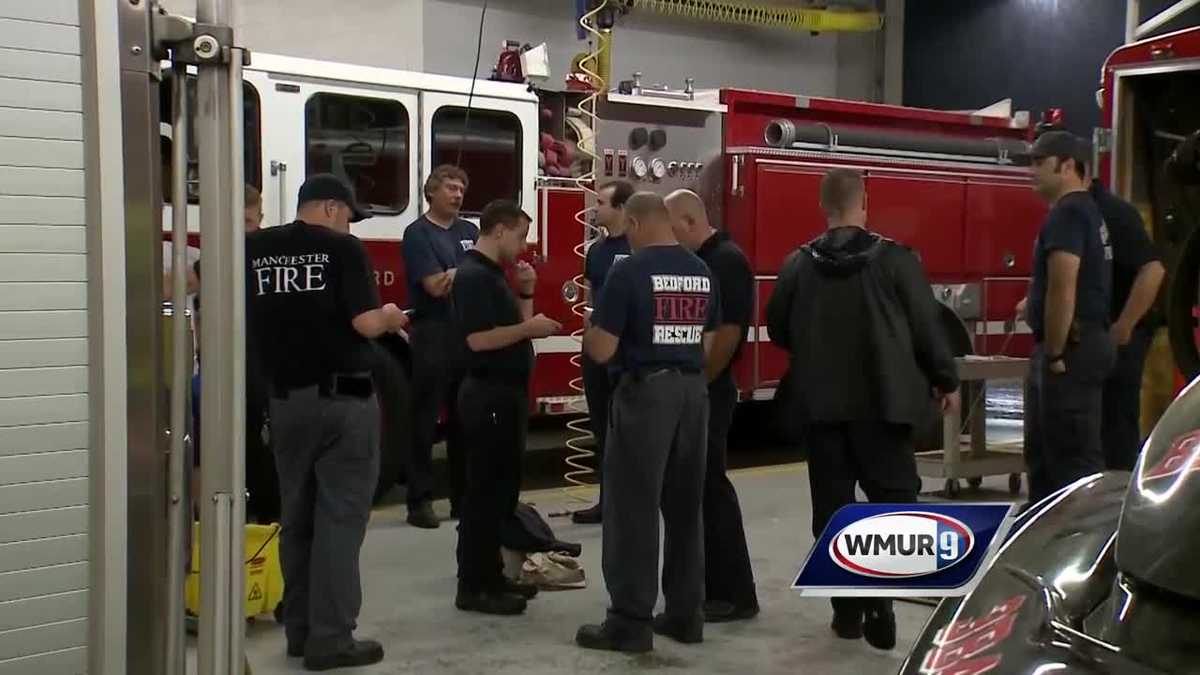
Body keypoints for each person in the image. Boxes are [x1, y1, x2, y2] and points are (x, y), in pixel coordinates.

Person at [766, 168, 959, 651]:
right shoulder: (896, 260)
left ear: (823, 205)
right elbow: (925, 325)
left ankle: (848, 613)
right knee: (894, 505)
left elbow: (777, 328)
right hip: (885, 406)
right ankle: (885, 602)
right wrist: (945, 379)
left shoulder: (797, 263)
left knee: (832, 511)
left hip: (822, 407)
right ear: (864, 203)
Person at [247, 173, 409, 670]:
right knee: (339, 520)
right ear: (334, 208)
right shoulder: (343, 251)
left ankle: (298, 630)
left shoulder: (255, 248)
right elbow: (364, 323)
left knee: (297, 517)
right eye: (348, 216)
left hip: (285, 403)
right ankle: (332, 638)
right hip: (343, 402)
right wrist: (391, 316)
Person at [576, 192, 718, 653]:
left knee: (632, 509)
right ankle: (684, 614)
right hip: (694, 392)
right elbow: (710, 342)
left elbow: (602, 350)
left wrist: (589, 330)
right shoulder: (701, 270)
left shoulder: (628, 271)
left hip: (646, 394)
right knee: (684, 508)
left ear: (634, 224)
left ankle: (630, 621)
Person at [451, 200, 562, 615]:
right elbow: (478, 340)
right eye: (519, 236)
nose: (522, 246)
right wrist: (529, 326)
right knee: (484, 493)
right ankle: (474, 585)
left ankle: (492, 575)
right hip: (489, 395)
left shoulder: (494, 275)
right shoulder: (474, 276)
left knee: (501, 492)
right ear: (498, 230)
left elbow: (513, 333)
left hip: (506, 393)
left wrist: (528, 294)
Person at [664, 189, 759, 622]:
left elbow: (728, 332)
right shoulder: (704, 260)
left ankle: (734, 593)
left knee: (710, 487)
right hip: (700, 388)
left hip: (710, 391)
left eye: (671, 228)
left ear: (688, 221)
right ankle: (711, 586)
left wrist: (701, 384)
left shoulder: (726, 260)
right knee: (697, 489)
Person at [1017, 131, 1116, 503]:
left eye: (1040, 162)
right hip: (1086, 344)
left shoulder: (1068, 213)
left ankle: (1076, 545)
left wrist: (1056, 353)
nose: (1031, 170)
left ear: (1068, 166)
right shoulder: (1087, 211)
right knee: (1052, 456)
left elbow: (1064, 284)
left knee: (1070, 462)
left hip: (1071, 351)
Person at [401, 165, 477, 529]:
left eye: (461, 187)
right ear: (432, 192)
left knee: (465, 418)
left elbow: (485, 277)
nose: (457, 193)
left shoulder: (469, 231)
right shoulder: (417, 234)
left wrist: (456, 274)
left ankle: (463, 501)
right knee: (424, 419)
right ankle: (419, 501)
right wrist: (463, 274)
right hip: (432, 332)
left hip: (466, 332)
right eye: (450, 186)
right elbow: (434, 286)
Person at [1088, 175, 1165, 470]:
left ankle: (1118, 497)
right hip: (1098, 338)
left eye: (1040, 163)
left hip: (1121, 337)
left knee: (1116, 422)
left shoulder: (1112, 213)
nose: (1032, 172)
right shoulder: (1075, 212)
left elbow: (1153, 270)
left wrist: (1124, 326)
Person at [573, 179, 635, 525]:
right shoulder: (595, 251)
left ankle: (631, 504)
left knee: (626, 430)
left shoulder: (638, 248)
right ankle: (607, 501)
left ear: (622, 209)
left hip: (626, 352)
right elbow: (593, 296)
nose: (595, 209)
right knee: (602, 427)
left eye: (602, 203)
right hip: (597, 349)